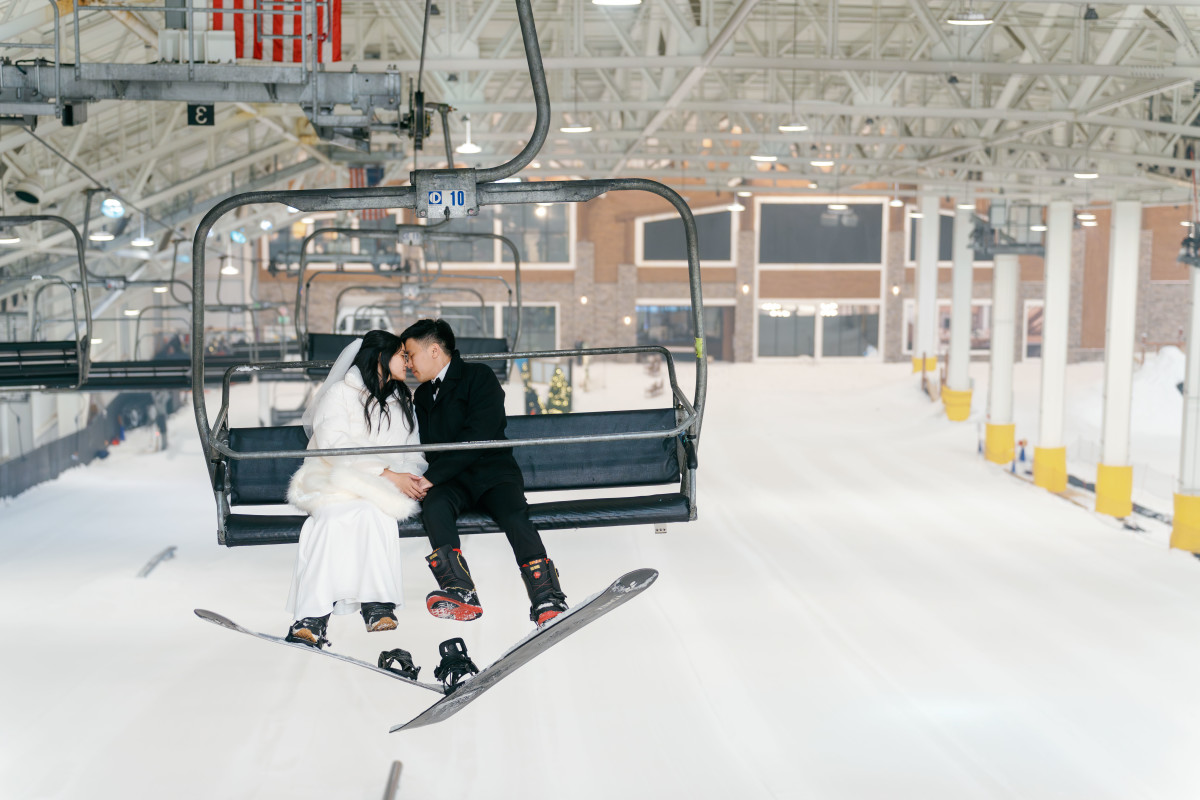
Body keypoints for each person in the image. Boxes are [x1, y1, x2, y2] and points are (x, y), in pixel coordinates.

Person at [399, 318, 568, 627]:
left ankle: (546, 596)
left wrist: (434, 476)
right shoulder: (422, 397)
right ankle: (459, 590)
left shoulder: (479, 377)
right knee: (434, 507)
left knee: (516, 516)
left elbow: (480, 434)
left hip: (493, 474)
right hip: (453, 482)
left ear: (434, 350)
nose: (408, 364)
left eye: (410, 354)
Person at [283, 330, 428, 648]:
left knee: (375, 514)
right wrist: (386, 473)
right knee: (333, 521)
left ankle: (377, 604)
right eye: (401, 355)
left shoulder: (402, 400)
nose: (407, 361)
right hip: (335, 480)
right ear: (381, 357)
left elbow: (413, 452)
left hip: (381, 488)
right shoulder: (339, 395)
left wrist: (411, 477)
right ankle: (312, 616)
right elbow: (336, 446)